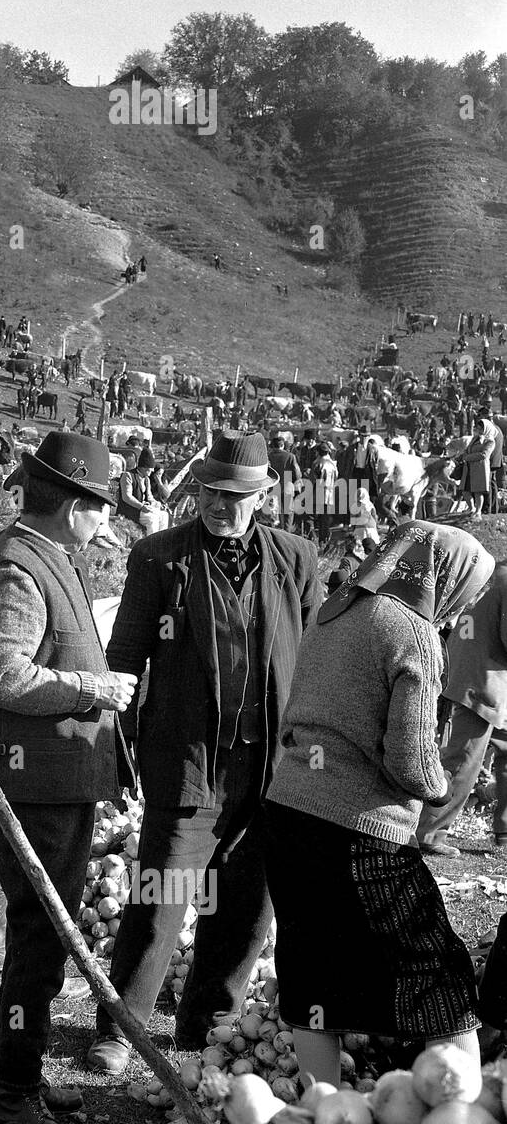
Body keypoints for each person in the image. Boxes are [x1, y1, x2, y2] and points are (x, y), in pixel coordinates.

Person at [89, 432, 321, 1076]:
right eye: (210, 492)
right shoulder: (160, 559)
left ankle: (207, 1025)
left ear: (262, 495)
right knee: (161, 896)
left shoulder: (296, 560)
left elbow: (318, 662)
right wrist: (120, 746)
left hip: (269, 766)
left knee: (246, 903)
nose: (220, 505)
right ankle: (122, 1029)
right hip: (188, 760)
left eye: (236, 496)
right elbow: (126, 659)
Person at [0, 432, 136, 1124]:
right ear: (74, 506)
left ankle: (2, 1069)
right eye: (100, 507)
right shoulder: (22, 570)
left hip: (46, 781)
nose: (105, 523)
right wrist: (97, 689)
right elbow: (3, 676)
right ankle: (16, 1097)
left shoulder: (38, 556)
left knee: (36, 929)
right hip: (33, 785)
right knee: (40, 941)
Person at [262, 522, 494, 1084]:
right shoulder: (412, 631)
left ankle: (325, 1113)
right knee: (439, 975)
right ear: (446, 576)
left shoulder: (336, 609)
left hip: (289, 809)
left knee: (314, 967)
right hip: (361, 829)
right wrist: (443, 786)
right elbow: (409, 762)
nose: (467, 602)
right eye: (469, 588)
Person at [415, 559, 507, 856]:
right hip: (481, 680)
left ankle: (504, 830)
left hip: (470, 671)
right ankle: (429, 833)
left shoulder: (495, 572)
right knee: (463, 761)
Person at [116, 447, 169, 534]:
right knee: (152, 519)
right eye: (150, 468)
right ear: (144, 467)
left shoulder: (146, 479)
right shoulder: (128, 476)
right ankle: (150, 545)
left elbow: (149, 497)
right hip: (130, 510)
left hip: (143, 509)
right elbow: (127, 497)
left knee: (164, 515)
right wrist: (141, 506)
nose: (152, 471)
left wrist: (158, 504)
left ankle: (160, 543)